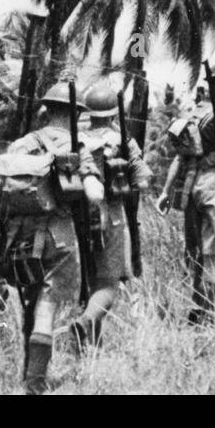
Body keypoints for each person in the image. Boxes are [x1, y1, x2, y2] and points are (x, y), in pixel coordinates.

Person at [0, 81, 103, 393]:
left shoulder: (21, 144)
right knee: (46, 310)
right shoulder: (78, 148)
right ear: (77, 115)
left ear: (46, 110)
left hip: (18, 235)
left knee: (28, 304)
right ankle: (35, 384)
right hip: (59, 235)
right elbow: (95, 195)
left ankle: (27, 371)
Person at [156, 60, 215, 325]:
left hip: (191, 187)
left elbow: (179, 158)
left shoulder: (194, 113)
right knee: (213, 254)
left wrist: (165, 192)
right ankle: (207, 316)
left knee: (196, 252)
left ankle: (197, 309)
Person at [69, 82, 151, 347]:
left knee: (91, 280)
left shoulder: (76, 139)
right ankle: (86, 322)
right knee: (109, 282)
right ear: (115, 113)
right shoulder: (123, 141)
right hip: (112, 214)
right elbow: (144, 181)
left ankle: (93, 344)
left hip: (77, 216)